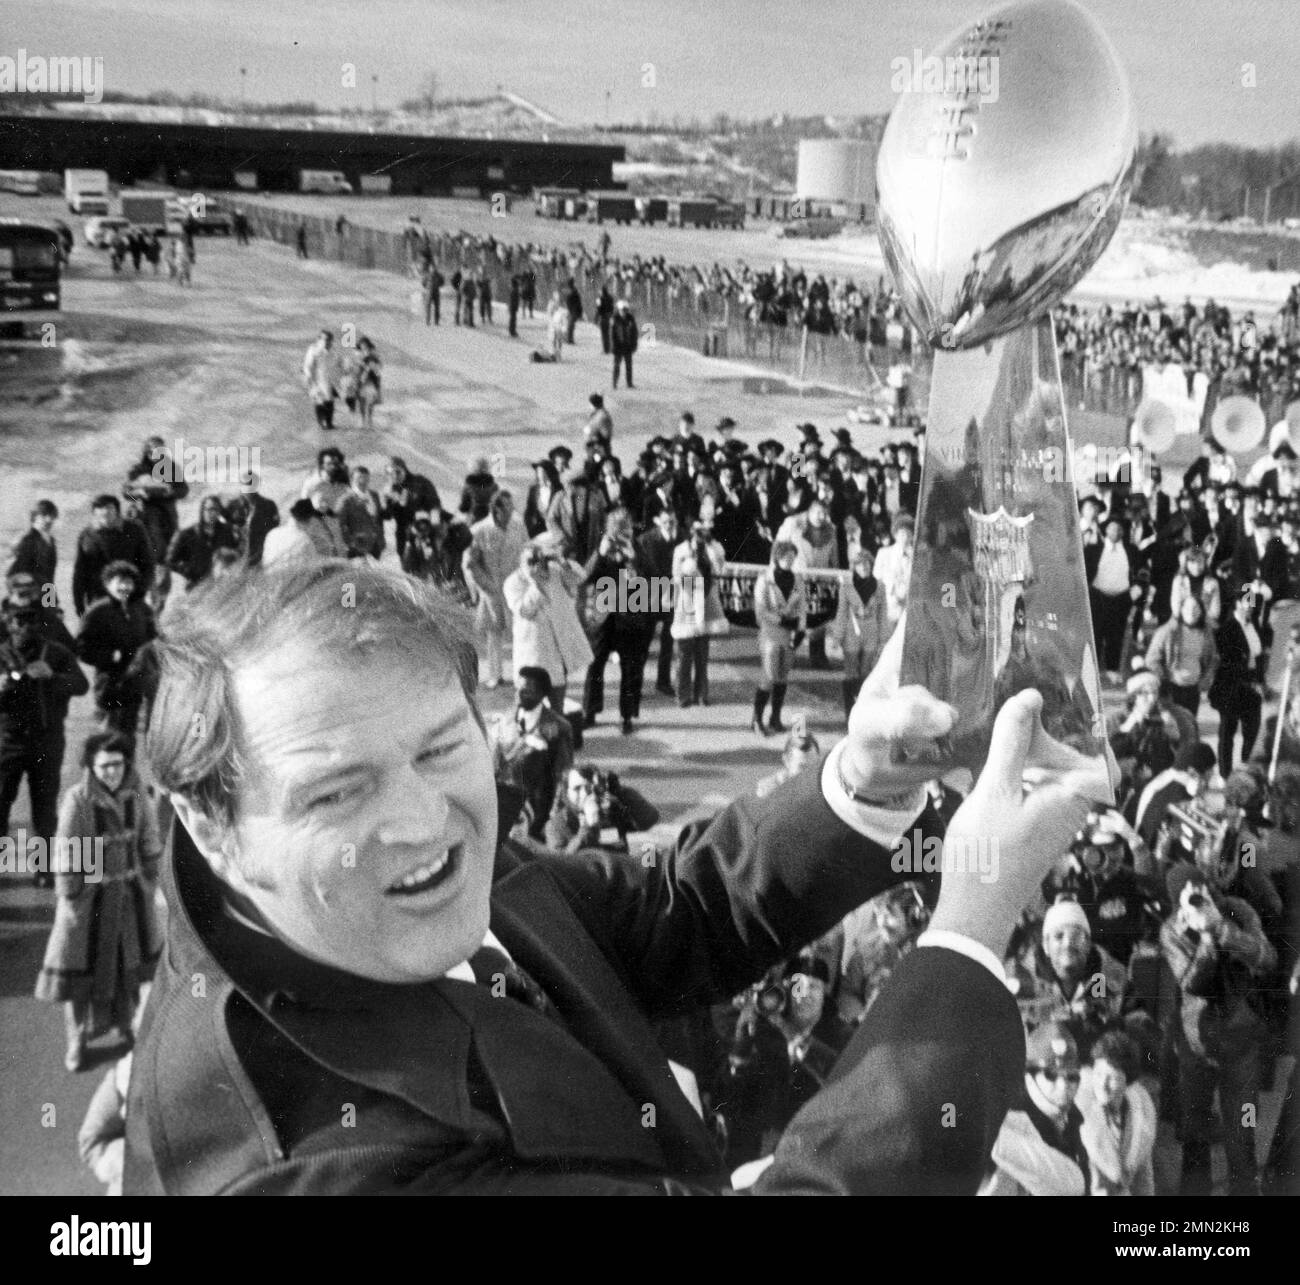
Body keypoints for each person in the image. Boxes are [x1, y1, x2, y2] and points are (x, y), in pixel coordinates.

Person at [123, 557, 1106, 1194]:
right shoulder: (311, 1163)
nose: (424, 820)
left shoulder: (404, 878)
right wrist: (971, 928)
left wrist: (876, 769)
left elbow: (667, 912)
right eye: (337, 793)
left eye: (438, 748)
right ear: (214, 829)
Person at [36, 731, 162, 1072]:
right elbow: (65, 850)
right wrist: (72, 892)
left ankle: (129, 1027)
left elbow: (150, 837)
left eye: (118, 765)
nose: (112, 773)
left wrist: (149, 875)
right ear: (91, 766)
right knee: (80, 975)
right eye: (104, 766)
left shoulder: (138, 793)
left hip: (129, 899)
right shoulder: (79, 799)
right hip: (88, 903)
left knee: (129, 968)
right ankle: (76, 1040)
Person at [1161, 862, 1275, 1195]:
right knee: (1193, 1132)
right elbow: (1194, 983)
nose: (1198, 897)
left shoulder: (1239, 911)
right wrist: (1207, 938)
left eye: (1202, 889)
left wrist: (1223, 928)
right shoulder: (1171, 930)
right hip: (1197, 1045)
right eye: (1188, 895)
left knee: (1244, 1128)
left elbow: (1267, 959)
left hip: (1243, 1044)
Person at [0, 600, 88, 882]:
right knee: (1, 805)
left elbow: (81, 684)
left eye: (30, 621)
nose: (25, 627)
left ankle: (44, 869)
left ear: (39, 623)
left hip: (46, 741)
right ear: (8, 623)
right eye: (18, 621)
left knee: (45, 808)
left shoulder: (56, 653)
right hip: (7, 740)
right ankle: (2, 864)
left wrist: (53, 677)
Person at [1006, 897, 1127, 1056]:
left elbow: (1118, 1017)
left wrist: (1091, 1012)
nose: (1068, 944)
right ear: (1046, 945)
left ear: (1088, 944)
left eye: (1077, 936)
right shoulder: (1019, 974)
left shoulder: (1107, 974)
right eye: (1058, 936)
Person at [979, 1022, 1089, 1196]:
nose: (1063, 1086)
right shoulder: (1011, 1125)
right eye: (1050, 1075)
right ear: (1029, 1079)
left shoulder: (1074, 1120)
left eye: (1072, 1076)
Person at [581, 508, 656, 734]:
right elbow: (585, 577)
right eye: (617, 530)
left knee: (630, 669)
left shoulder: (638, 549)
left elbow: (652, 578)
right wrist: (600, 554)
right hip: (604, 618)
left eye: (626, 529)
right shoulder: (603, 547)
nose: (622, 535)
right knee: (595, 665)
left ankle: (627, 716)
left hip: (630, 618)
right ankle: (590, 711)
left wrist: (634, 559)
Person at [503, 537, 592, 717]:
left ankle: (557, 740)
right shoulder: (513, 582)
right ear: (520, 562)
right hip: (532, 653)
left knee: (557, 703)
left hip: (555, 651)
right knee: (526, 704)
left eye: (539, 560)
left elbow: (579, 577)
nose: (535, 565)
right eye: (530, 561)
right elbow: (524, 611)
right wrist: (537, 584)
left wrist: (560, 559)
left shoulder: (554, 571)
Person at [492, 667, 574, 843]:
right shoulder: (505, 719)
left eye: (527, 691)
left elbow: (564, 775)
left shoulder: (559, 727)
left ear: (542, 694)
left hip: (538, 815)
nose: (519, 695)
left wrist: (555, 814)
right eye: (518, 689)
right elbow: (495, 764)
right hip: (504, 810)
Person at [75, 563, 157, 734]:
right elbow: (81, 648)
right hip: (110, 683)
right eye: (120, 582)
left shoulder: (141, 608)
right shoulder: (97, 611)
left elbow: (154, 637)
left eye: (129, 583)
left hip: (135, 682)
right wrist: (109, 656)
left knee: (128, 734)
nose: (125, 587)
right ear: (107, 584)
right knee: (112, 735)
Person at [1077, 1030, 1157, 1196]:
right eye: (1098, 1074)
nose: (1102, 1085)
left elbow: (1144, 1178)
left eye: (1111, 1077)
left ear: (1127, 1081)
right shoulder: (1080, 1113)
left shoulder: (1141, 1115)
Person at [464, 491, 528, 689]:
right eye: (507, 507)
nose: (512, 511)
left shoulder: (518, 525)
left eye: (512, 506)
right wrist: (486, 586)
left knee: (521, 632)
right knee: (494, 634)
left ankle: (523, 675)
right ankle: (495, 675)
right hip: (492, 589)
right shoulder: (479, 530)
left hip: (516, 587)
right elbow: (470, 564)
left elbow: (527, 552)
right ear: (496, 509)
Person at [669, 510, 728, 712]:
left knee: (703, 655)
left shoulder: (713, 549)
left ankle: (702, 693)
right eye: (697, 531)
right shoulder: (680, 550)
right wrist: (688, 567)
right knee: (684, 655)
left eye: (704, 531)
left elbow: (720, 571)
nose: (700, 535)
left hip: (706, 602)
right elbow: (675, 577)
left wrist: (711, 551)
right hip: (687, 602)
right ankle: (682, 694)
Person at [1209, 586, 1266, 776]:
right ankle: (1225, 773)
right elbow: (1227, 660)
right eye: (1246, 602)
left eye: (1252, 603)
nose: (1249, 607)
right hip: (1231, 686)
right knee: (1227, 732)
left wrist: (1259, 681)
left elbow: (1258, 656)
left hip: (1251, 685)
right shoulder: (1227, 628)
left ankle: (1245, 766)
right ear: (1237, 603)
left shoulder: (1254, 625)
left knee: (1252, 731)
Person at [751, 541, 805, 736]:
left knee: (782, 676)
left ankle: (775, 717)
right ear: (777, 557)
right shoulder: (765, 579)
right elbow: (760, 611)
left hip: (789, 633)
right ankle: (757, 719)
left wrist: (801, 629)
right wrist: (781, 620)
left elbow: (802, 608)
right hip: (770, 632)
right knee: (769, 675)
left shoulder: (797, 579)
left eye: (792, 557)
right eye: (785, 557)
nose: (789, 561)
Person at [71, 496, 155, 617]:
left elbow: (147, 564)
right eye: (100, 509)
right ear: (94, 513)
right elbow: (80, 573)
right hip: (98, 598)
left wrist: (139, 592)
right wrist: (79, 604)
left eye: (109, 508)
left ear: (117, 511)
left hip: (128, 595)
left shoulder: (134, 529)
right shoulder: (87, 535)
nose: (105, 512)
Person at [833, 545, 890, 722]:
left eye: (867, 564)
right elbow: (841, 613)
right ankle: (849, 712)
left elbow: (883, 614)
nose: (864, 567)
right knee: (851, 671)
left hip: (871, 632)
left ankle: (863, 711)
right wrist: (837, 637)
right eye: (860, 564)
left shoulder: (879, 586)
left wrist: (883, 639)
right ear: (854, 567)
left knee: (866, 671)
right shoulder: (847, 587)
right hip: (852, 631)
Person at [1144, 593, 1217, 717]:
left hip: (1193, 690)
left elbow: (1213, 658)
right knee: (1172, 728)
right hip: (1171, 689)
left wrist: (1205, 679)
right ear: (1181, 610)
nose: (1191, 612)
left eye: (1196, 608)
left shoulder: (1206, 633)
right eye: (1188, 608)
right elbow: (1151, 659)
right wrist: (1164, 680)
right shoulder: (1168, 631)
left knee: (1189, 726)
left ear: (1201, 612)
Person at [636, 507, 678, 697]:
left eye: (672, 521)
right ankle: (636, 683)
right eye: (666, 521)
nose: (669, 524)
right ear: (658, 521)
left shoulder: (681, 538)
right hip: (650, 593)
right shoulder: (645, 539)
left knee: (668, 642)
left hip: (672, 593)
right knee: (644, 641)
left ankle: (663, 682)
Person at [166, 496, 237, 591]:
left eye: (214, 509)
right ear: (202, 511)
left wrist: (230, 553)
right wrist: (190, 571)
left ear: (219, 511)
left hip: (222, 582)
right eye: (206, 509)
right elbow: (170, 560)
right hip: (197, 584)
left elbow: (236, 551)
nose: (210, 513)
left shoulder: (226, 530)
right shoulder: (186, 534)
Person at [383, 457, 442, 560]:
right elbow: (388, 515)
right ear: (387, 475)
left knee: (431, 554)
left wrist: (434, 523)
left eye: (398, 471)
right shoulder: (390, 489)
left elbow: (434, 502)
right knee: (405, 556)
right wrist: (388, 501)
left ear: (404, 470)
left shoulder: (419, 482)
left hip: (425, 523)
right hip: (403, 529)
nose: (395, 476)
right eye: (391, 473)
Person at [8, 499, 60, 597]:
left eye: (52, 516)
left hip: (46, 593)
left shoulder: (50, 541)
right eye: (44, 515)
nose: (48, 520)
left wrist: (52, 603)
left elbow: (49, 577)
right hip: (27, 596)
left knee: (53, 611)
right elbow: (16, 574)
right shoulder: (26, 540)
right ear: (35, 517)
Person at [755, 729, 822, 800]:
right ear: (787, 761)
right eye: (803, 767)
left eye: (814, 766)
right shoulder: (768, 791)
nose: (809, 772)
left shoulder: (824, 790)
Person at [235, 471, 280, 567]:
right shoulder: (234, 506)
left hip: (261, 553)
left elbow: (274, 530)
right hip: (240, 556)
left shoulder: (268, 505)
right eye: (245, 484)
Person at [302, 330, 340, 430]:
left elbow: (337, 365)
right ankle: (322, 422)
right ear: (319, 339)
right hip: (317, 379)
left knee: (330, 400)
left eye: (328, 340)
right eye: (322, 339)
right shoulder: (314, 350)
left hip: (330, 379)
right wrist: (309, 379)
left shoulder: (334, 351)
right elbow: (308, 365)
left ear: (331, 341)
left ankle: (329, 423)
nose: (325, 341)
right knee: (320, 400)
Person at [611, 298, 638, 389]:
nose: (624, 312)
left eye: (626, 310)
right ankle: (614, 383)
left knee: (629, 365)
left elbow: (634, 332)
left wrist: (634, 344)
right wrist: (613, 346)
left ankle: (629, 383)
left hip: (628, 346)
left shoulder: (630, 319)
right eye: (622, 310)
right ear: (619, 310)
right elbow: (612, 334)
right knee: (617, 365)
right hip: (618, 346)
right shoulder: (614, 319)